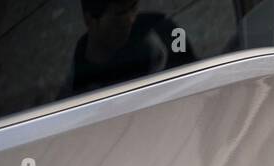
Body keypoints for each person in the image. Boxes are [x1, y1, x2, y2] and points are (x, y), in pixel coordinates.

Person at [65, 0, 197, 97]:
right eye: (119, 14)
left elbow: (198, 83)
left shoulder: (166, 32)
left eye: (133, 7)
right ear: (90, 21)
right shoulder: (78, 88)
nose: (131, 19)